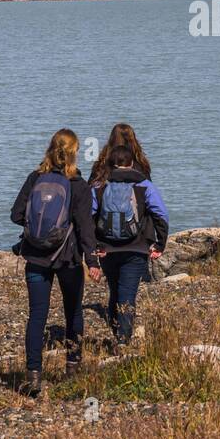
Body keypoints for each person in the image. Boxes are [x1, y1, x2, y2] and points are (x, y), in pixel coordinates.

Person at [10, 128, 99, 398]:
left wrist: (40, 226)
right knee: (73, 312)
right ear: (74, 153)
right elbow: (85, 227)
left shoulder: (35, 178)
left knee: (37, 316)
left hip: (36, 258)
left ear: (50, 149)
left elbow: (15, 215)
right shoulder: (78, 185)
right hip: (68, 259)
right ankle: (72, 369)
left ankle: (34, 377)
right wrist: (92, 259)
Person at [91, 144, 169, 347]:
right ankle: (123, 339)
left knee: (114, 290)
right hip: (136, 248)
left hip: (106, 249)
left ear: (111, 164)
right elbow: (161, 215)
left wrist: (94, 245)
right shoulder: (144, 186)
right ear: (132, 163)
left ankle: (116, 329)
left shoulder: (99, 186)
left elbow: (88, 218)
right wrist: (159, 244)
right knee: (128, 292)